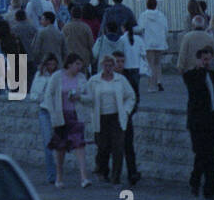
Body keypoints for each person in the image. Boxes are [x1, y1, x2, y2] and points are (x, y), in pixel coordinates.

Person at [41, 54, 92, 189]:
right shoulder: (57, 77)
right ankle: (59, 177)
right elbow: (49, 95)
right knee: (60, 147)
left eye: (80, 64)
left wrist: (79, 97)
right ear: (69, 64)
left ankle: (84, 177)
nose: (79, 67)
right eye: (77, 64)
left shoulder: (81, 78)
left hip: (75, 115)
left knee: (79, 145)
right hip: (61, 115)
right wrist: (52, 114)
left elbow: (89, 96)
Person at [183, 46, 214, 199]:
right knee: (201, 154)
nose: (207, 62)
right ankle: (195, 181)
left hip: (213, 121)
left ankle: (209, 191)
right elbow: (194, 92)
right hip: (198, 122)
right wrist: (200, 69)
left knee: (213, 157)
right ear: (198, 60)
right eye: (204, 59)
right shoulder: (191, 75)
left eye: (209, 59)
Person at [87, 54, 136, 186]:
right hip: (101, 117)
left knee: (118, 147)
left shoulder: (121, 80)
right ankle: (101, 170)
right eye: (106, 65)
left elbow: (131, 96)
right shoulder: (94, 81)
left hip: (116, 117)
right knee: (103, 147)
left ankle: (116, 178)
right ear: (102, 66)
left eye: (110, 65)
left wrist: (126, 110)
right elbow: (88, 98)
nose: (108, 68)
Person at [112, 51, 143, 185]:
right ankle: (110, 173)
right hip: (110, 116)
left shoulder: (129, 78)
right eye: (117, 61)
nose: (120, 64)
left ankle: (132, 173)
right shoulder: (106, 78)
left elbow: (135, 97)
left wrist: (129, 112)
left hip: (125, 115)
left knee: (128, 146)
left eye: (122, 61)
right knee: (110, 147)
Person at [30, 53, 60, 183]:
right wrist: (42, 96)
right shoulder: (40, 76)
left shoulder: (59, 76)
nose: (51, 67)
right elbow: (34, 94)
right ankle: (51, 175)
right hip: (45, 111)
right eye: (49, 64)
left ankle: (59, 175)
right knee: (48, 144)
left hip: (58, 112)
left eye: (53, 64)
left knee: (60, 145)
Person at [138, 0, 168, 92]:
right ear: (156, 5)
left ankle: (151, 86)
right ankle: (159, 81)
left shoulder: (143, 15)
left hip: (148, 42)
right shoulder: (161, 15)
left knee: (150, 64)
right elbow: (166, 28)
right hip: (159, 42)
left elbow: (140, 28)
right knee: (158, 63)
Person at [62, 6, 94, 75]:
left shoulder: (66, 27)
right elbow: (91, 44)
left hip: (69, 58)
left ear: (71, 14)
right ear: (81, 15)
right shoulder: (86, 27)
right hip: (83, 59)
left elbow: (62, 43)